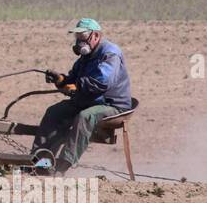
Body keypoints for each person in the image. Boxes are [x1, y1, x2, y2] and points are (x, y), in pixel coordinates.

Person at [32, 17, 132, 175]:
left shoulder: (110, 54)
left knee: (85, 117)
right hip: (89, 101)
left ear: (96, 36)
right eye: (77, 38)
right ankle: (40, 163)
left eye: (83, 37)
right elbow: (74, 79)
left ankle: (61, 168)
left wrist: (77, 86)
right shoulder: (85, 57)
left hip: (112, 105)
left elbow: (102, 83)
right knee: (54, 112)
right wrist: (61, 80)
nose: (79, 43)